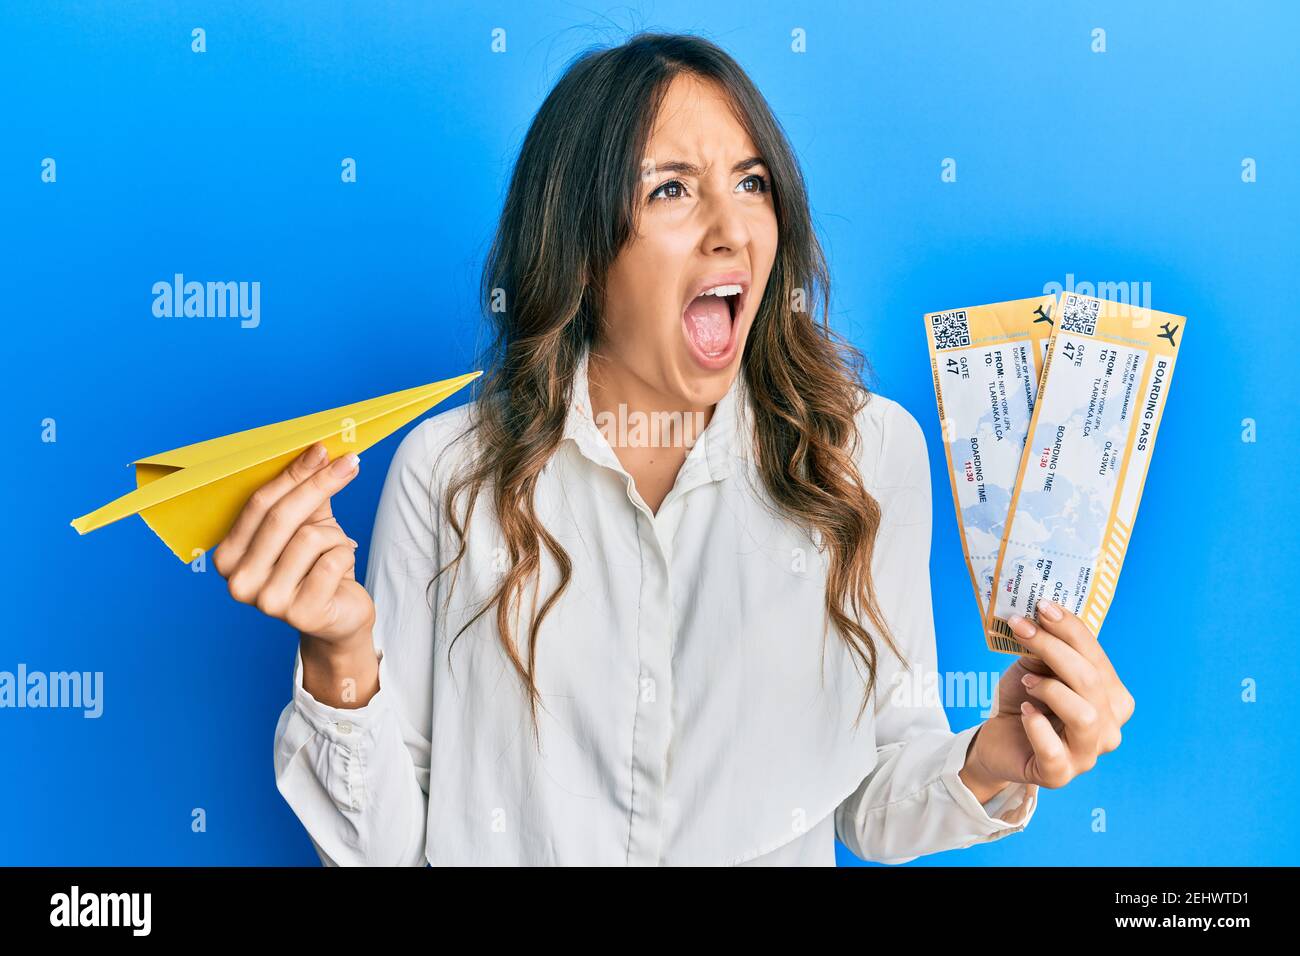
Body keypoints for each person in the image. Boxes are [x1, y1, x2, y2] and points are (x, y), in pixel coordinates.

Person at [213, 32, 1133, 866]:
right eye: (670, 189)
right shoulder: (449, 474)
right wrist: (338, 654)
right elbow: (379, 851)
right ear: (579, 250)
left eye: (751, 182)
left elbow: (875, 802)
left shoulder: (864, 455)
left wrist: (1000, 755)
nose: (732, 230)